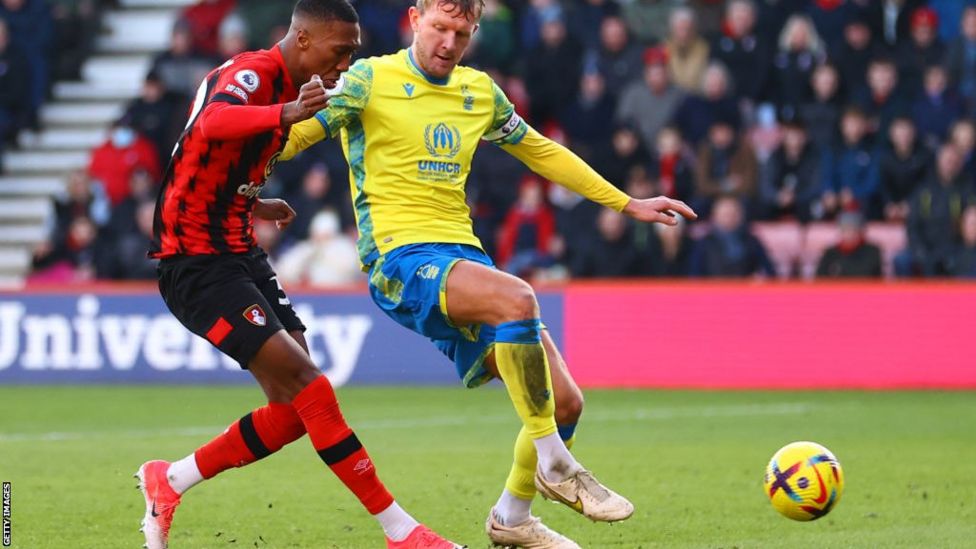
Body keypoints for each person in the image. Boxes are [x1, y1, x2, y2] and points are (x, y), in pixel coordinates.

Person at [280, 0, 697, 546]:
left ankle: (513, 516)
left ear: (474, 30)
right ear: (415, 20)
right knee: (518, 299)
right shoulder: (368, 80)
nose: (448, 43)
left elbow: (542, 152)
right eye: (439, 28)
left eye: (461, 32)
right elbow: (291, 138)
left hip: (464, 259)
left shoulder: (480, 92)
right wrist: (235, 156)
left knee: (566, 402)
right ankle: (556, 464)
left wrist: (626, 202)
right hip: (399, 259)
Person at [140, 1, 461, 548]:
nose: (345, 63)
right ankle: (401, 532)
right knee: (312, 389)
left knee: (294, 410)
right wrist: (284, 113)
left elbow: (204, 160)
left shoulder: (288, 87)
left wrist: (254, 201)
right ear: (305, 40)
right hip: (195, 263)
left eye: (353, 53)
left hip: (238, 250)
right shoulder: (254, 74)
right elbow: (211, 123)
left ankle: (169, 480)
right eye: (340, 51)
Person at [815, 210, 883, 278]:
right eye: (845, 229)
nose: (849, 233)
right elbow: (819, 279)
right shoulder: (830, 253)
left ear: (861, 231)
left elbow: (878, 280)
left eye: (853, 229)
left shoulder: (872, 252)